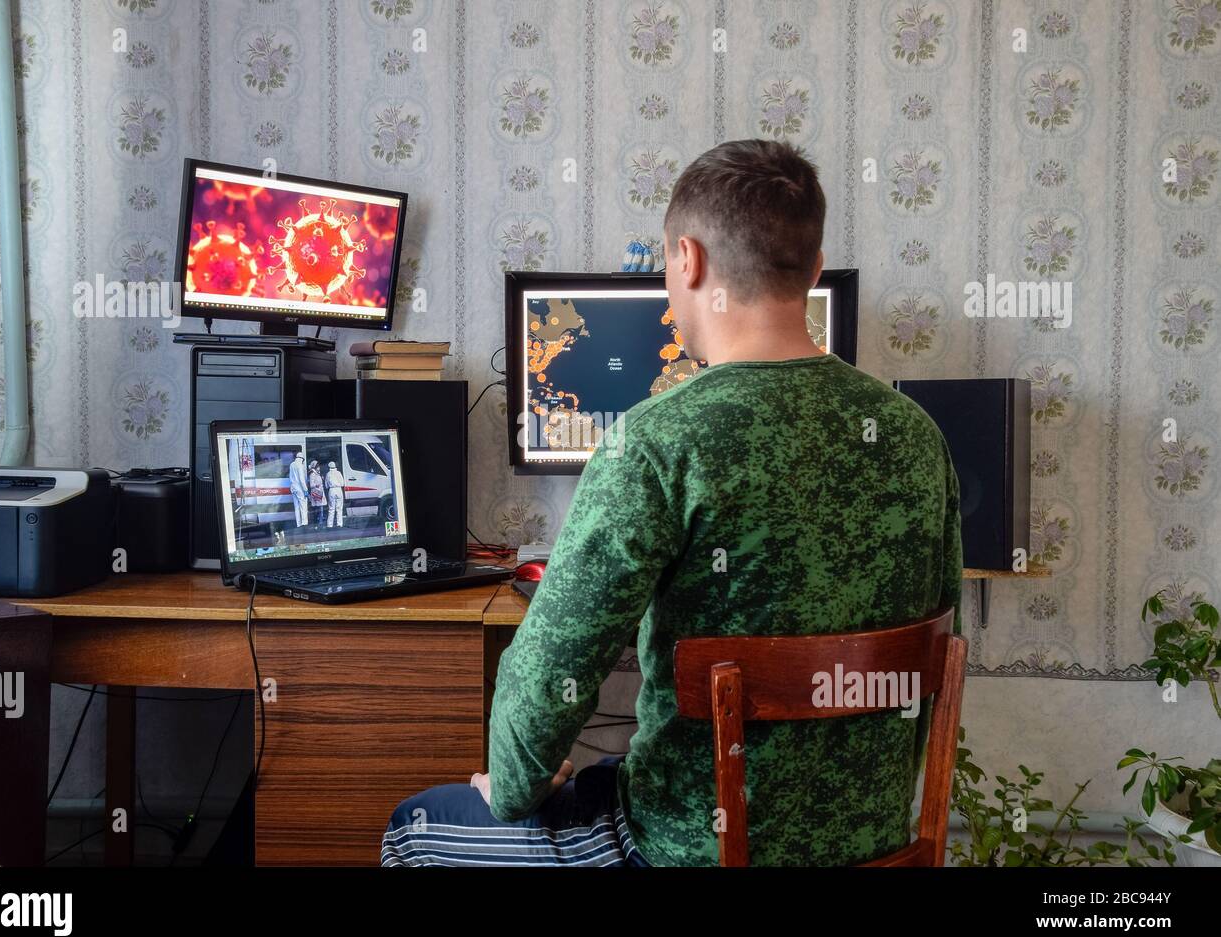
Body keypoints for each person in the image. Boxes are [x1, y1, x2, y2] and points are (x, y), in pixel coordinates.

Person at [382, 139, 962, 867]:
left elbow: (546, 680)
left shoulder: (653, 445)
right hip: (873, 846)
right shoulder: (916, 435)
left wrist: (512, 783)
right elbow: (939, 651)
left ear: (687, 260)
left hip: (680, 848)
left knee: (415, 827)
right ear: (813, 270)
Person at [287, 453, 308, 527]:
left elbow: (290, 477)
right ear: (302, 459)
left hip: (293, 487)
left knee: (296, 506)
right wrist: (305, 489)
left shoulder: (292, 464)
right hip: (300, 488)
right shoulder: (300, 465)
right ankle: (304, 523)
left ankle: (298, 524)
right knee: (303, 505)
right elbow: (302, 479)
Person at [325, 461, 346, 528]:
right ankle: (339, 524)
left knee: (331, 508)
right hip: (339, 490)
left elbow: (326, 485)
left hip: (331, 490)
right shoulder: (339, 473)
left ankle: (329, 524)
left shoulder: (328, 474)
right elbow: (342, 483)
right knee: (339, 508)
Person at [307, 459, 326, 528]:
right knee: (318, 508)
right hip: (316, 493)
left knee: (320, 508)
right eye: (318, 467)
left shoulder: (317, 474)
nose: (319, 468)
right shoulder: (312, 474)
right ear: (315, 467)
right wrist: (317, 484)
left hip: (319, 492)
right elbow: (311, 485)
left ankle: (320, 522)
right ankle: (318, 523)